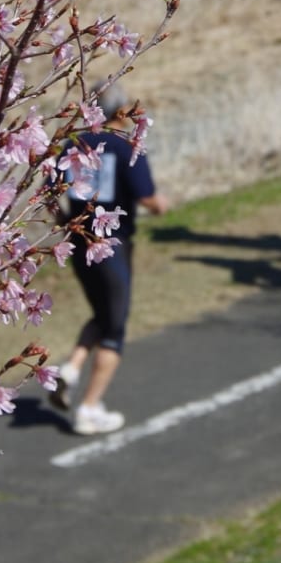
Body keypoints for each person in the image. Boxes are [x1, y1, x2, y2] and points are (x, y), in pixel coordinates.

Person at [51, 85, 170, 435]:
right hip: (111, 244)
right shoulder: (125, 146)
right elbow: (147, 197)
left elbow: (47, 189)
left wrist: (62, 220)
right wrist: (162, 205)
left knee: (103, 313)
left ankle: (70, 370)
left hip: (78, 241)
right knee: (115, 328)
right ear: (120, 112)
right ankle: (89, 409)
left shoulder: (72, 144)